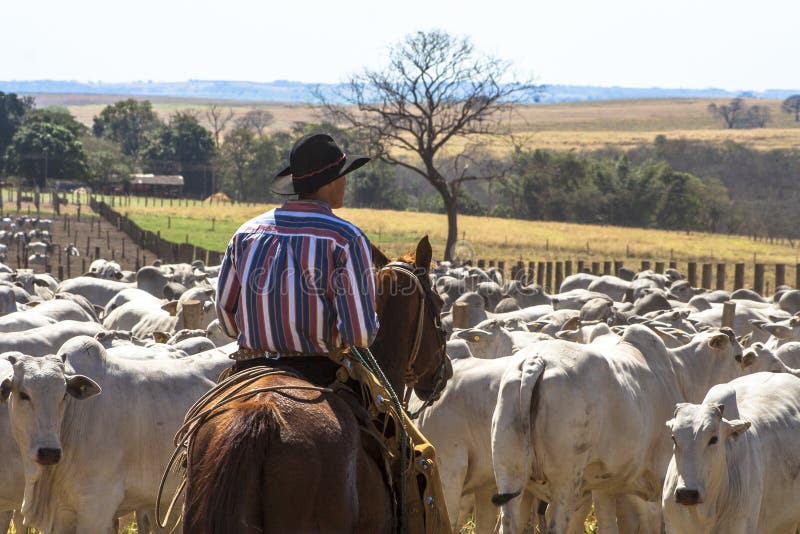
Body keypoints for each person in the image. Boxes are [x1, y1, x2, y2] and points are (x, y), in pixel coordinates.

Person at [215, 132, 379, 384]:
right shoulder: (346, 238)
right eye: (343, 175)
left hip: (249, 370)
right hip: (319, 373)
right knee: (384, 420)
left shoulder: (244, 234)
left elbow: (226, 318)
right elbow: (360, 335)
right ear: (330, 182)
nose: (346, 182)